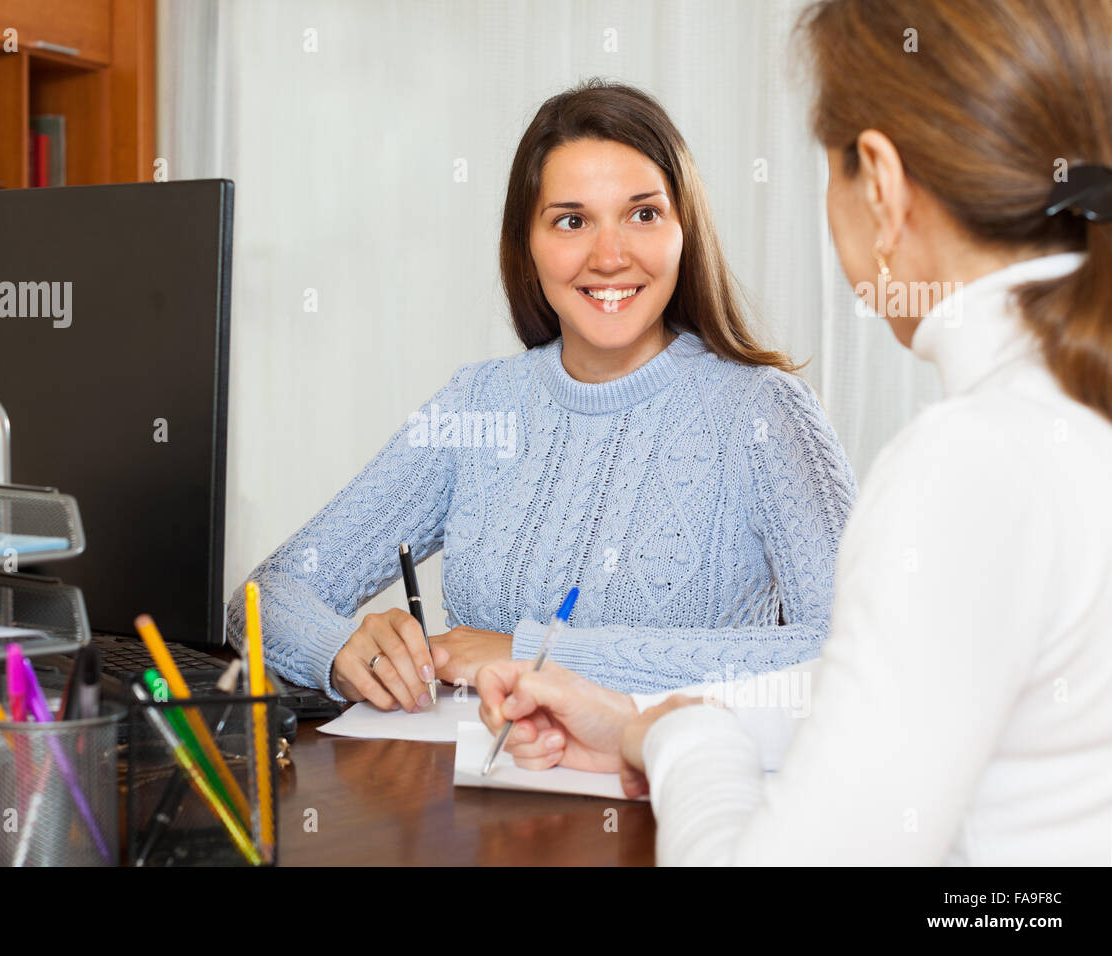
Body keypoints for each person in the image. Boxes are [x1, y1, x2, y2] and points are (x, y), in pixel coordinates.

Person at [476, 0, 1112, 865]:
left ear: (878, 184)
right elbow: (900, 694)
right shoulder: (1057, 419)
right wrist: (643, 728)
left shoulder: (965, 465)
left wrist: (687, 746)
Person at [226, 80, 856, 711]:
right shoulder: (478, 408)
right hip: (485, 792)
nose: (610, 256)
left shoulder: (765, 412)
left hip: (671, 796)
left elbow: (854, 649)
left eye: (643, 214)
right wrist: (339, 650)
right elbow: (265, 597)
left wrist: (534, 655)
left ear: (683, 231)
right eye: (572, 221)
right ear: (526, 245)